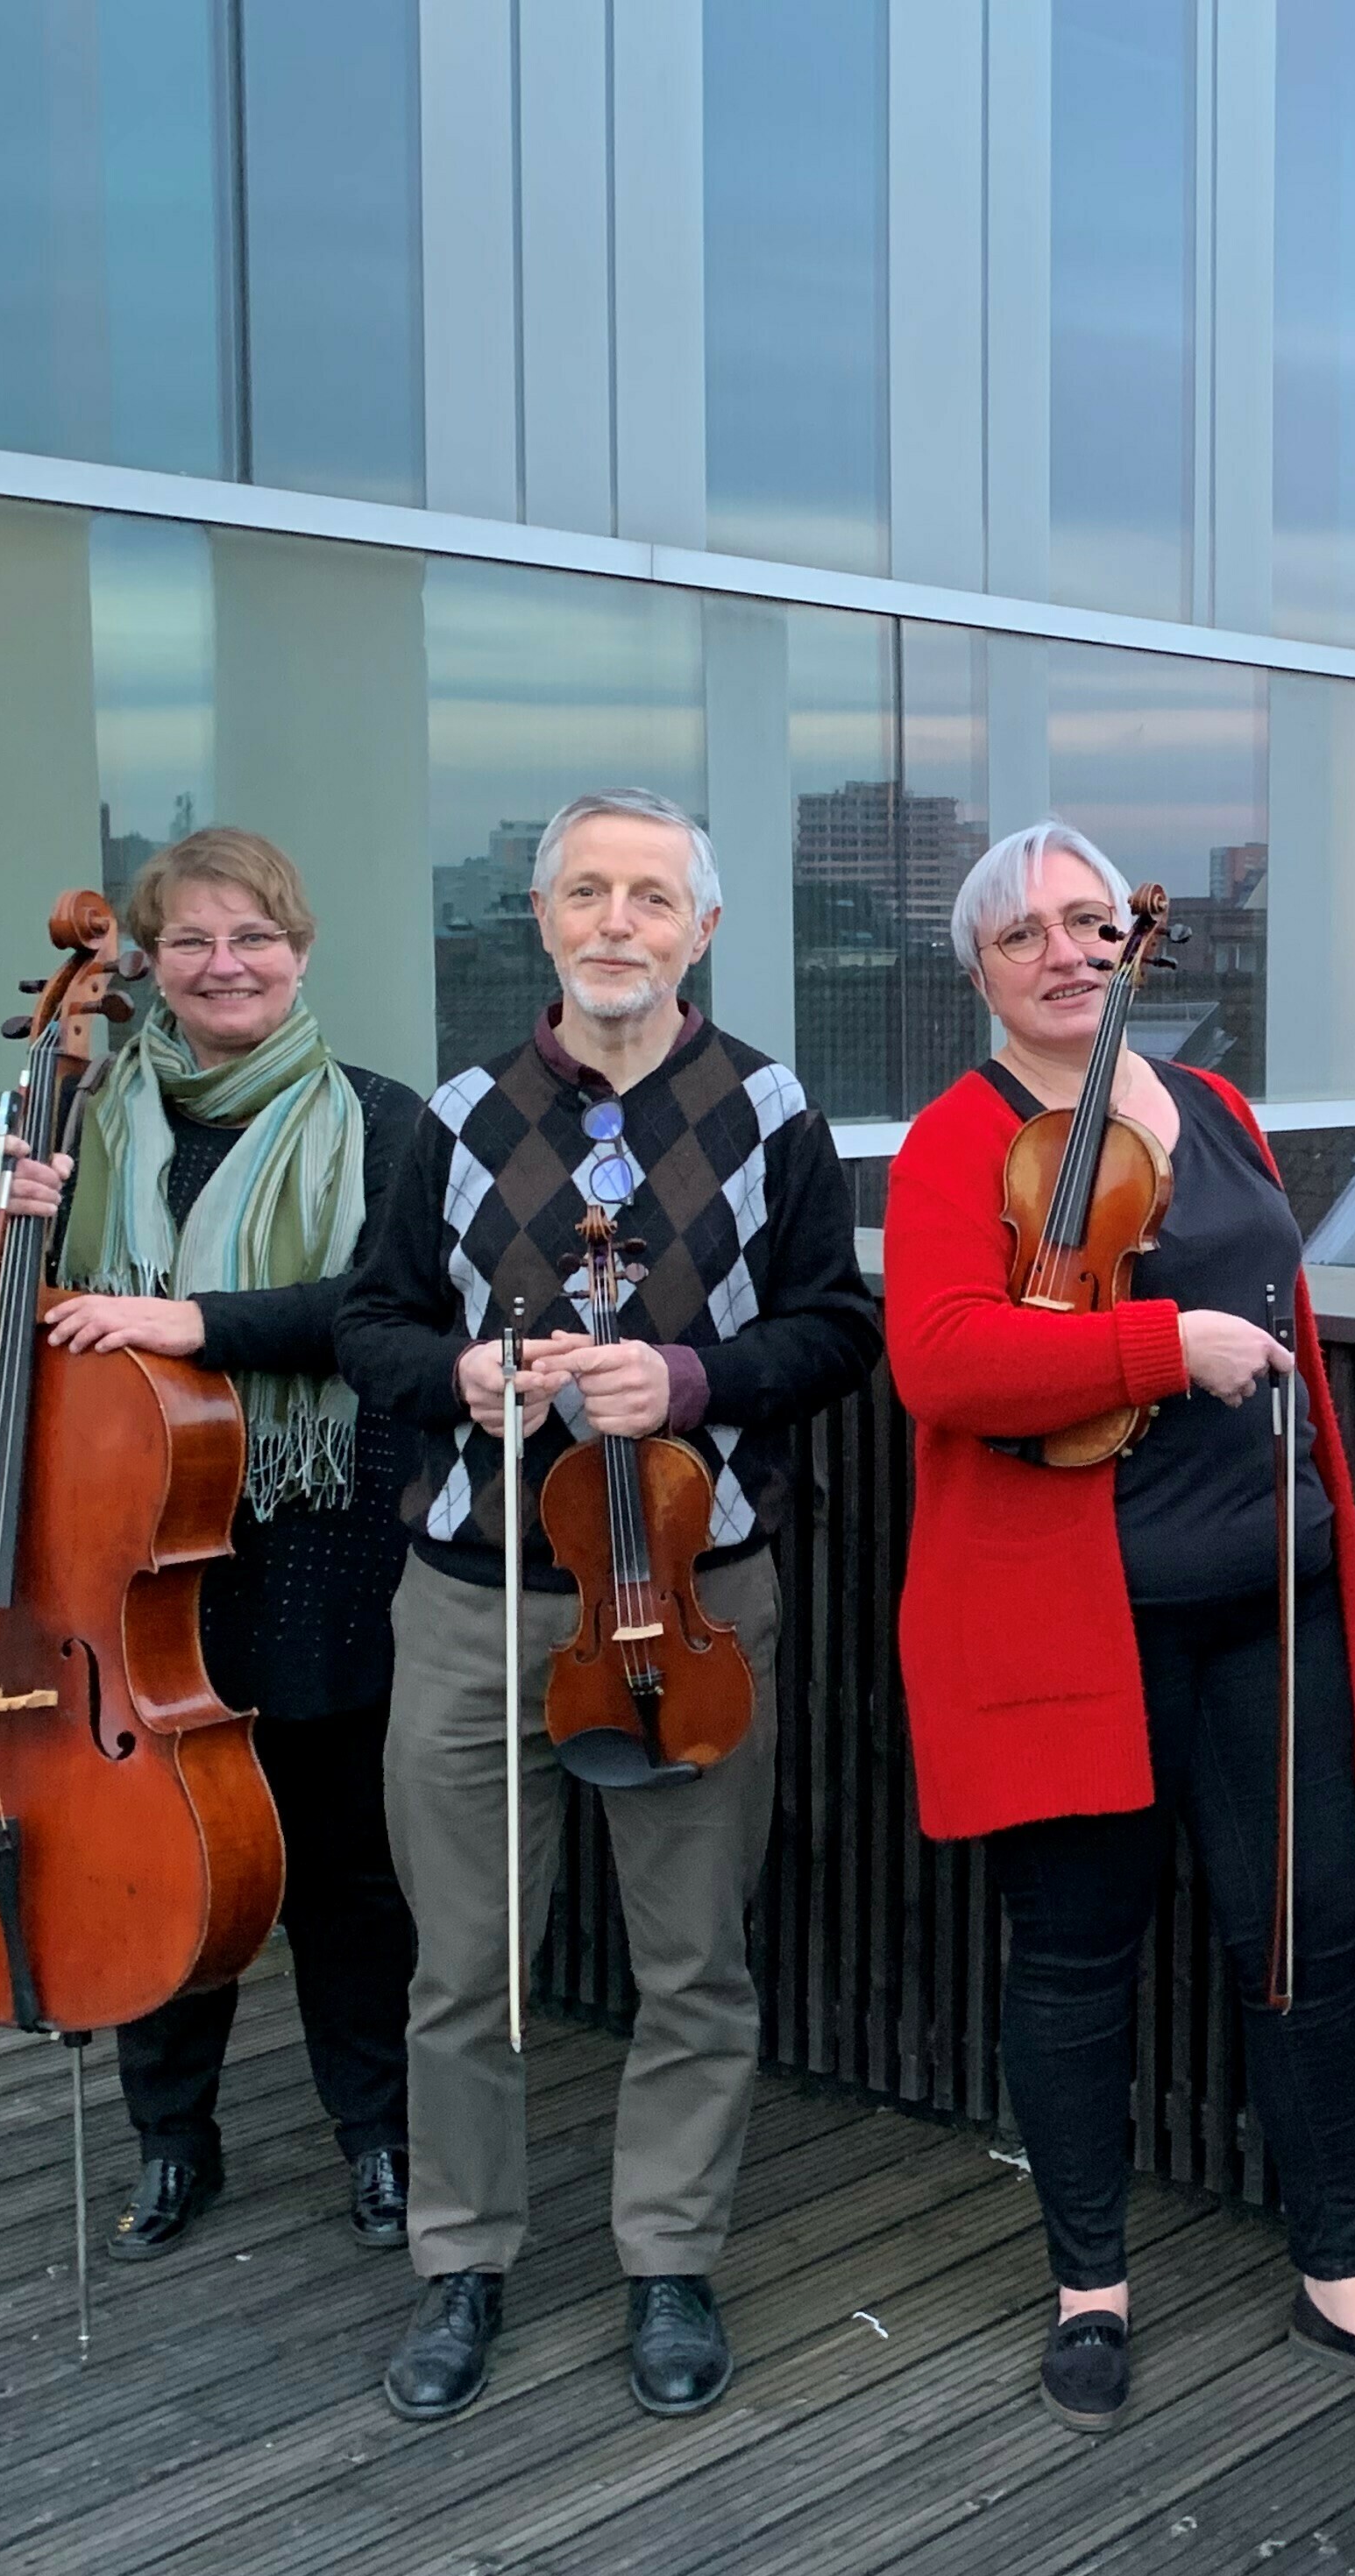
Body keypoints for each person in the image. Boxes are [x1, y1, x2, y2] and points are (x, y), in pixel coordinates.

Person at [879, 821, 1355, 2438]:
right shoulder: (958, 1138)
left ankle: (1340, 2279)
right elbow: (943, 1360)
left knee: (1310, 1940)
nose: (1070, 952)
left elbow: (1280, 1314)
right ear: (983, 975)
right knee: (1077, 1955)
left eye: (1091, 922)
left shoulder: (1214, 1111)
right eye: (1027, 937)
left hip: (1263, 1601)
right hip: (1076, 1619)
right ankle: (1090, 2290)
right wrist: (1158, 1348)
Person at [334, 787, 878, 2424]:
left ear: (699, 929)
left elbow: (838, 1330)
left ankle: (668, 2259)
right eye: (586, 892)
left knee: (692, 1955)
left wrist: (694, 1374)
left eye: (651, 896)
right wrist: (463, 1374)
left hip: (697, 1598)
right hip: (477, 1596)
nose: (617, 922)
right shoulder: (460, 1109)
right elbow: (370, 1328)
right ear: (545, 919)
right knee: (465, 1963)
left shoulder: (770, 1106)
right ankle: (463, 2260)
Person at [0, 828, 422, 2261]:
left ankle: (377, 2137)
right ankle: (171, 2140)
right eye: (195, 942)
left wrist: (188, 1321)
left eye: (254, 938)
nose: (227, 965)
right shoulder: (71, 1114)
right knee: (149, 1857)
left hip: (320, 1541)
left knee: (342, 1872)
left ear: (301, 953)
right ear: (141, 966)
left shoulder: (381, 1119)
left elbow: (382, 1311)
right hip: (123, 1572)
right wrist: (0, 1220)